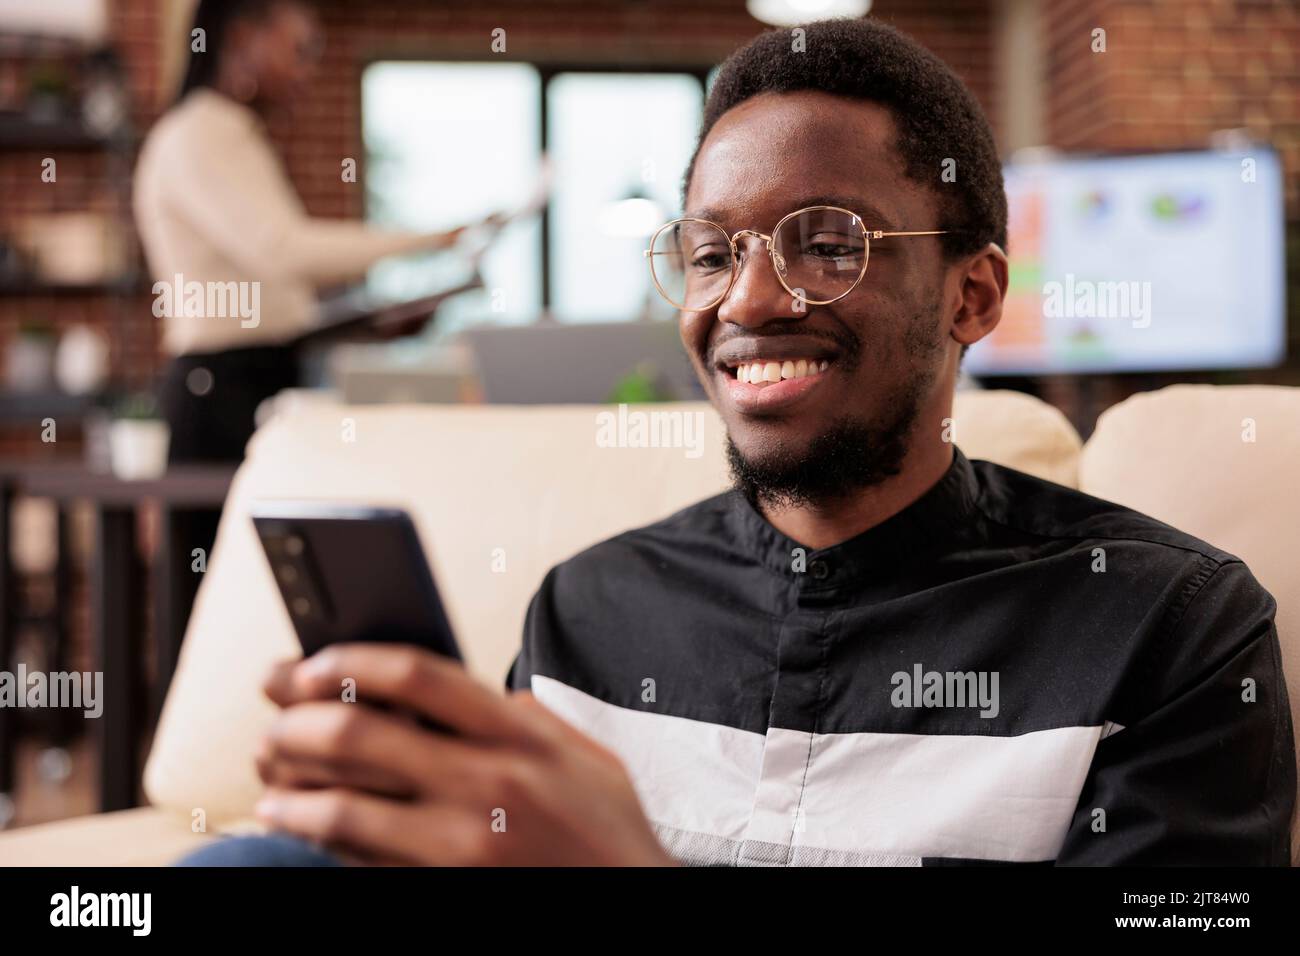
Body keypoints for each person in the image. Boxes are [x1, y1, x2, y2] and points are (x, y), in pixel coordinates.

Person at [181, 18, 1294, 867]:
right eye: (710, 252)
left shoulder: (1171, 629)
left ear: (973, 292)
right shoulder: (584, 612)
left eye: (826, 243)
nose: (749, 299)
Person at [135, 0, 494, 464]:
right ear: (244, 39)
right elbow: (284, 252)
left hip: (255, 380)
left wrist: (370, 327)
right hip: (221, 393)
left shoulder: (231, 134)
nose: (307, 72)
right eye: (299, 50)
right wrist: (433, 239)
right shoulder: (200, 134)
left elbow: (273, 297)